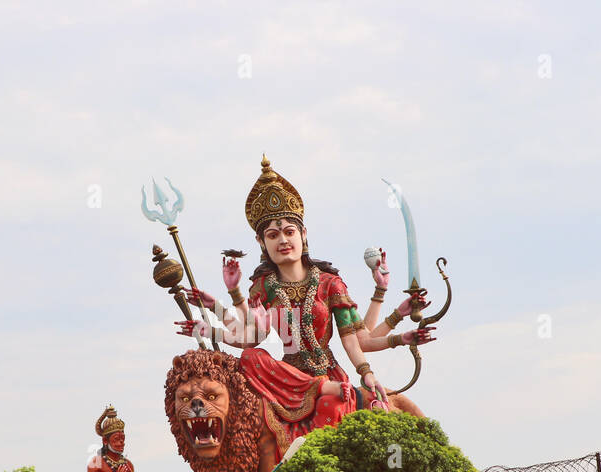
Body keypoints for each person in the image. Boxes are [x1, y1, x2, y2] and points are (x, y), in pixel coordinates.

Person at [175, 155, 435, 450]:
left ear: (303, 234)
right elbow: (252, 337)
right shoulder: (264, 286)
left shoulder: (329, 283)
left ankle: (327, 394)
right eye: (273, 235)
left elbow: (356, 340)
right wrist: (218, 315)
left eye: (289, 232)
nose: (282, 240)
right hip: (288, 382)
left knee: (337, 406)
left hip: (331, 376)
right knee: (251, 360)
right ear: (262, 244)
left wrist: (376, 364)